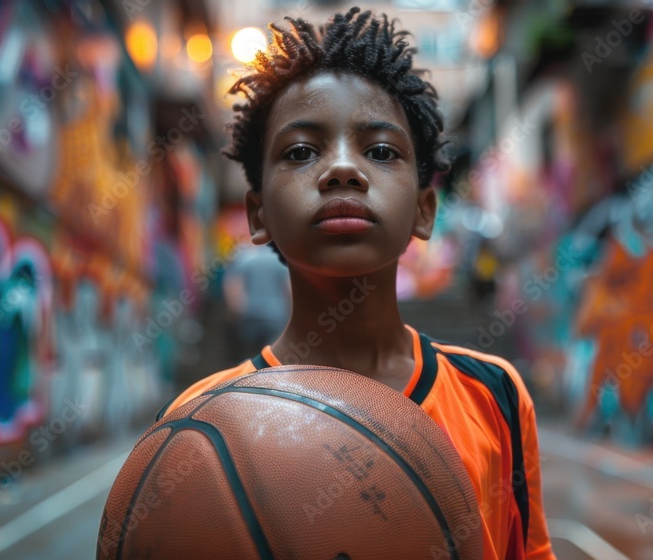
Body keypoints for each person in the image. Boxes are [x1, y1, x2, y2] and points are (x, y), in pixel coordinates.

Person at [157, 8, 555, 559]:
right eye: (301, 152)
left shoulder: (495, 394)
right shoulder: (200, 425)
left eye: (381, 151)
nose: (343, 169)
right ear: (258, 214)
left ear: (423, 210)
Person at [222, 242, 291, 358]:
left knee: (249, 357)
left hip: (250, 313)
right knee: (271, 357)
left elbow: (233, 286)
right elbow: (288, 288)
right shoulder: (279, 259)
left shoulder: (244, 258)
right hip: (275, 315)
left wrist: (234, 312)